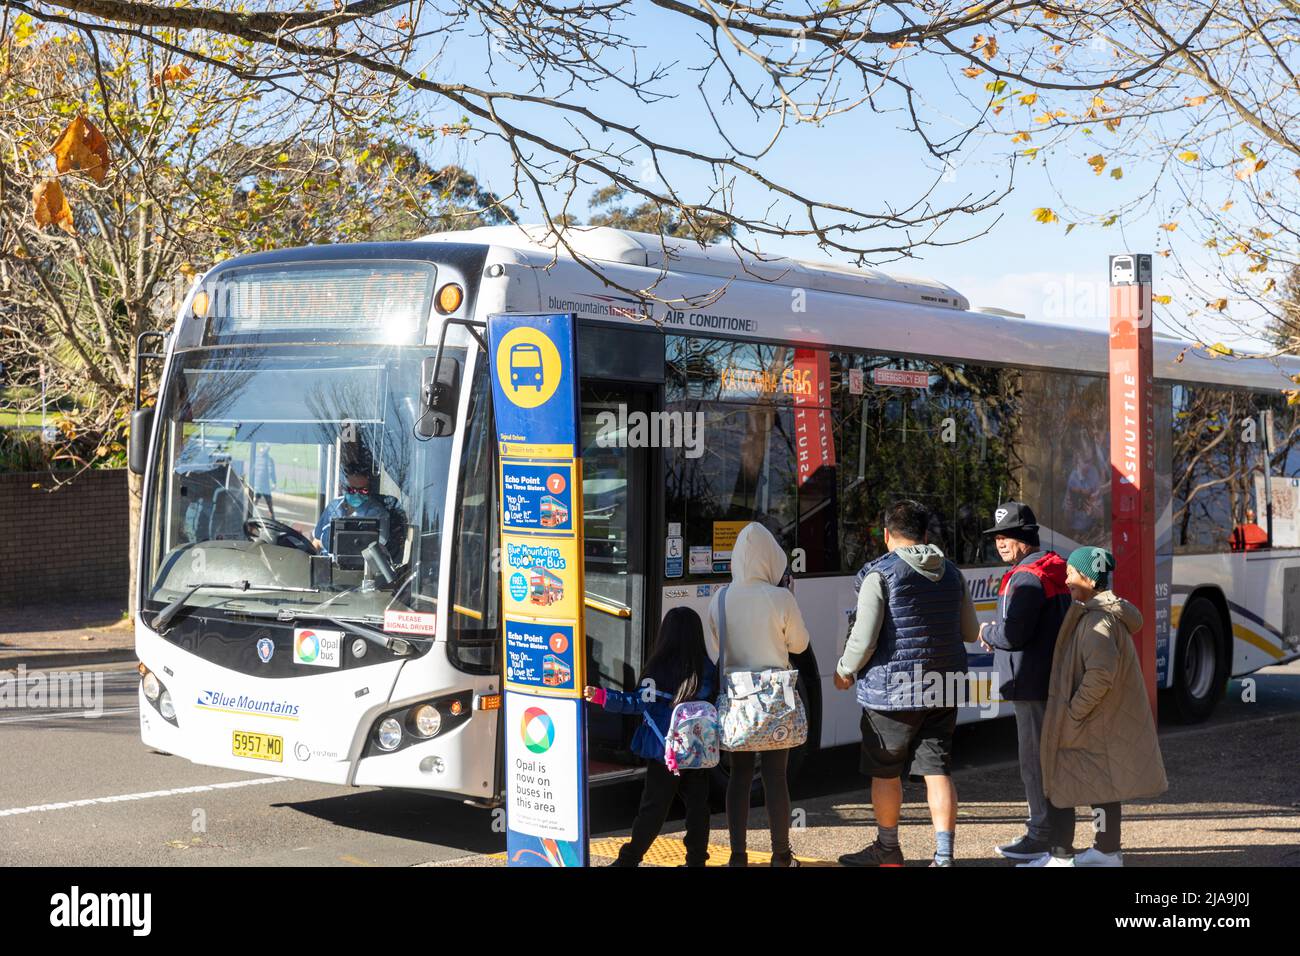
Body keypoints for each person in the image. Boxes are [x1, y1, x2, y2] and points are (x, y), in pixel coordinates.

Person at [834, 499, 981, 867]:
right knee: (937, 770)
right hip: (943, 687)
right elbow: (970, 631)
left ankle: (888, 849)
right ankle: (944, 857)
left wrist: (845, 670)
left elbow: (864, 638)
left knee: (885, 772)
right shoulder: (952, 573)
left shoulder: (879, 575)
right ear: (926, 534)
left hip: (892, 694)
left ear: (887, 535)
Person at [1025, 546, 1168, 867]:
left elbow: (1100, 676)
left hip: (1087, 719)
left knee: (1060, 780)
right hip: (1099, 720)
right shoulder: (1101, 615)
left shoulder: (1096, 622)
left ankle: (1061, 856)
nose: (1066, 580)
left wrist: (1073, 713)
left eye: (1071, 574)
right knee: (1103, 783)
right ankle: (1106, 850)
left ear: (1089, 579)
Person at [706, 522, 810, 867]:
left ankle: (738, 855)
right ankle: (781, 855)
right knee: (775, 777)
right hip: (775, 702)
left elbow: (714, 651)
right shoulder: (781, 597)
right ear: (771, 559)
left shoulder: (719, 598)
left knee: (739, 776)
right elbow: (800, 644)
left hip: (738, 703)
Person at [582, 607, 718, 867]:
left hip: (664, 751)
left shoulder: (658, 670)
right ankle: (697, 861)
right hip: (698, 751)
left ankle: (629, 860)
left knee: (654, 808)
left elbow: (635, 703)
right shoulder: (706, 669)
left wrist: (601, 697)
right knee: (699, 807)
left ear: (666, 635)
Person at [978, 501, 1072, 861]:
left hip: (1030, 684)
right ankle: (1057, 838)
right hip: (1053, 680)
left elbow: (1015, 635)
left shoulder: (1026, 577)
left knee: (1034, 762)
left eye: (1009, 536)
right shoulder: (1053, 568)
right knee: (1054, 762)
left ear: (1026, 537)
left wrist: (990, 631)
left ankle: (1040, 836)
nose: (1001, 543)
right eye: (998, 537)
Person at [313, 462, 390, 555]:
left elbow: (379, 548)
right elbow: (316, 541)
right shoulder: (333, 506)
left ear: (370, 489)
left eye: (363, 490)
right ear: (343, 487)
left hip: (359, 567)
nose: (357, 494)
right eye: (352, 490)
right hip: (326, 566)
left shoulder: (379, 514)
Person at [250, 445, 277, 519]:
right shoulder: (268, 460)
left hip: (258, 484)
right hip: (264, 485)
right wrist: (274, 482)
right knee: (268, 502)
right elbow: (271, 472)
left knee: (256, 500)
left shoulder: (257, 458)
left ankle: (249, 513)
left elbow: (253, 471)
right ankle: (272, 516)